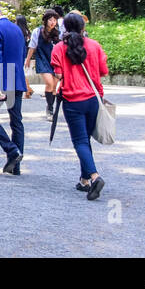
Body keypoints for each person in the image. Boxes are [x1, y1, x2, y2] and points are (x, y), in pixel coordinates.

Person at [51, 11, 109, 200]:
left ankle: (95, 176)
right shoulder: (95, 46)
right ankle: (84, 180)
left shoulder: (59, 48)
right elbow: (103, 71)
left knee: (80, 141)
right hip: (93, 98)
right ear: (83, 27)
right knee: (86, 139)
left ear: (65, 28)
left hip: (72, 99)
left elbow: (58, 75)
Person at [0, 2, 32, 175]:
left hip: (2, 79)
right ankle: (16, 167)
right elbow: (21, 55)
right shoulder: (17, 29)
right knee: (16, 121)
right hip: (16, 78)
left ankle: (11, 150)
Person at [25, 9, 62, 119]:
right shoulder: (38, 31)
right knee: (49, 83)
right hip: (42, 59)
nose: (52, 22)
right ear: (45, 20)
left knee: (54, 86)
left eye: (54, 20)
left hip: (55, 61)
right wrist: (27, 59)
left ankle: (50, 108)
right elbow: (32, 45)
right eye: (50, 20)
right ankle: (50, 109)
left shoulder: (58, 33)